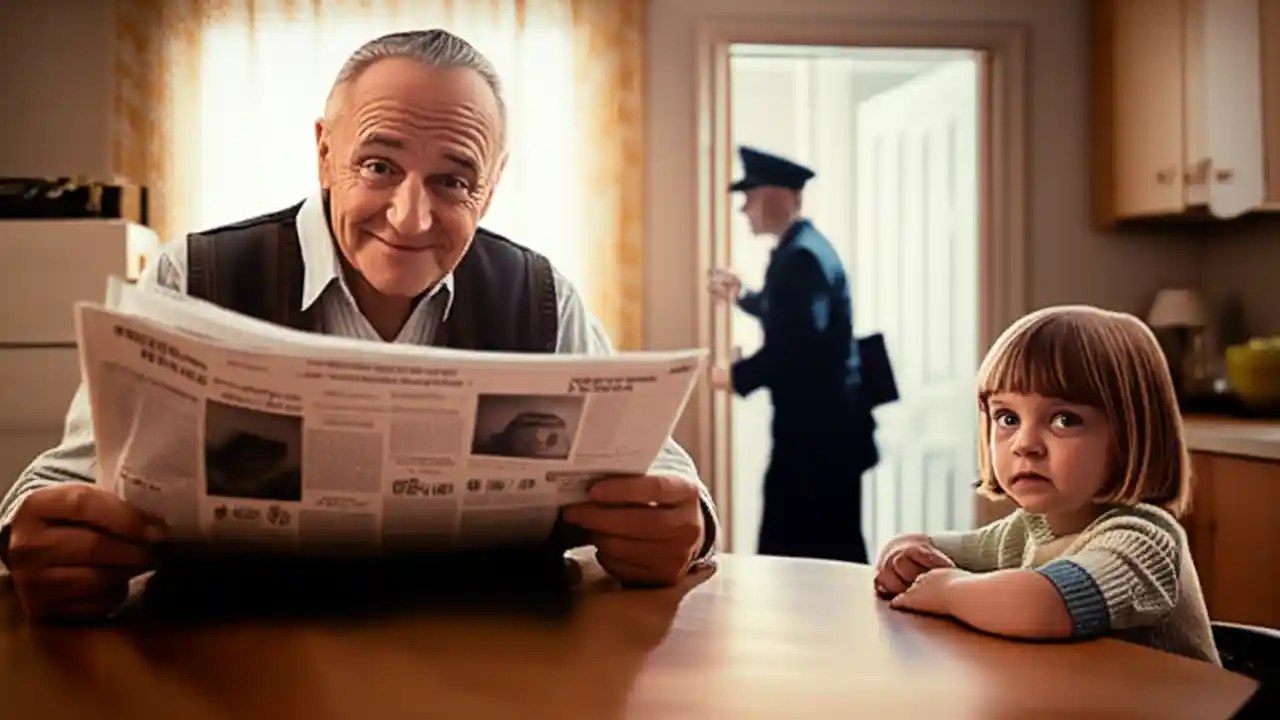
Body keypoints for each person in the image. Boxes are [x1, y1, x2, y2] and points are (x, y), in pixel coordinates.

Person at [0, 29, 718, 620]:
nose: (410, 217)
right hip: (230, 668)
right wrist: (38, 536)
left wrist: (687, 529)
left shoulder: (540, 296)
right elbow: (55, 484)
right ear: (324, 153)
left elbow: (669, 479)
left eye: (452, 180)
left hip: (492, 668)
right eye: (379, 165)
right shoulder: (190, 277)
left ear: (492, 185)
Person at [874, 305, 1219, 665]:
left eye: (1064, 420)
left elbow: (1042, 605)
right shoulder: (1030, 529)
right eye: (1007, 418)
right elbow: (927, 545)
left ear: (1132, 436)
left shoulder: (1144, 542)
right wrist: (906, 557)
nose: (1024, 444)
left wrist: (947, 589)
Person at [707, 146, 878, 564]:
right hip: (825, 435)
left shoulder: (800, 257)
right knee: (826, 547)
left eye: (751, 197)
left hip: (814, 442)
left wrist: (735, 376)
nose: (744, 209)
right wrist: (744, 297)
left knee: (804, 553)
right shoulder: (805, 249)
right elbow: (792, 317)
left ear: (779, 197)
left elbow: (795, 347)